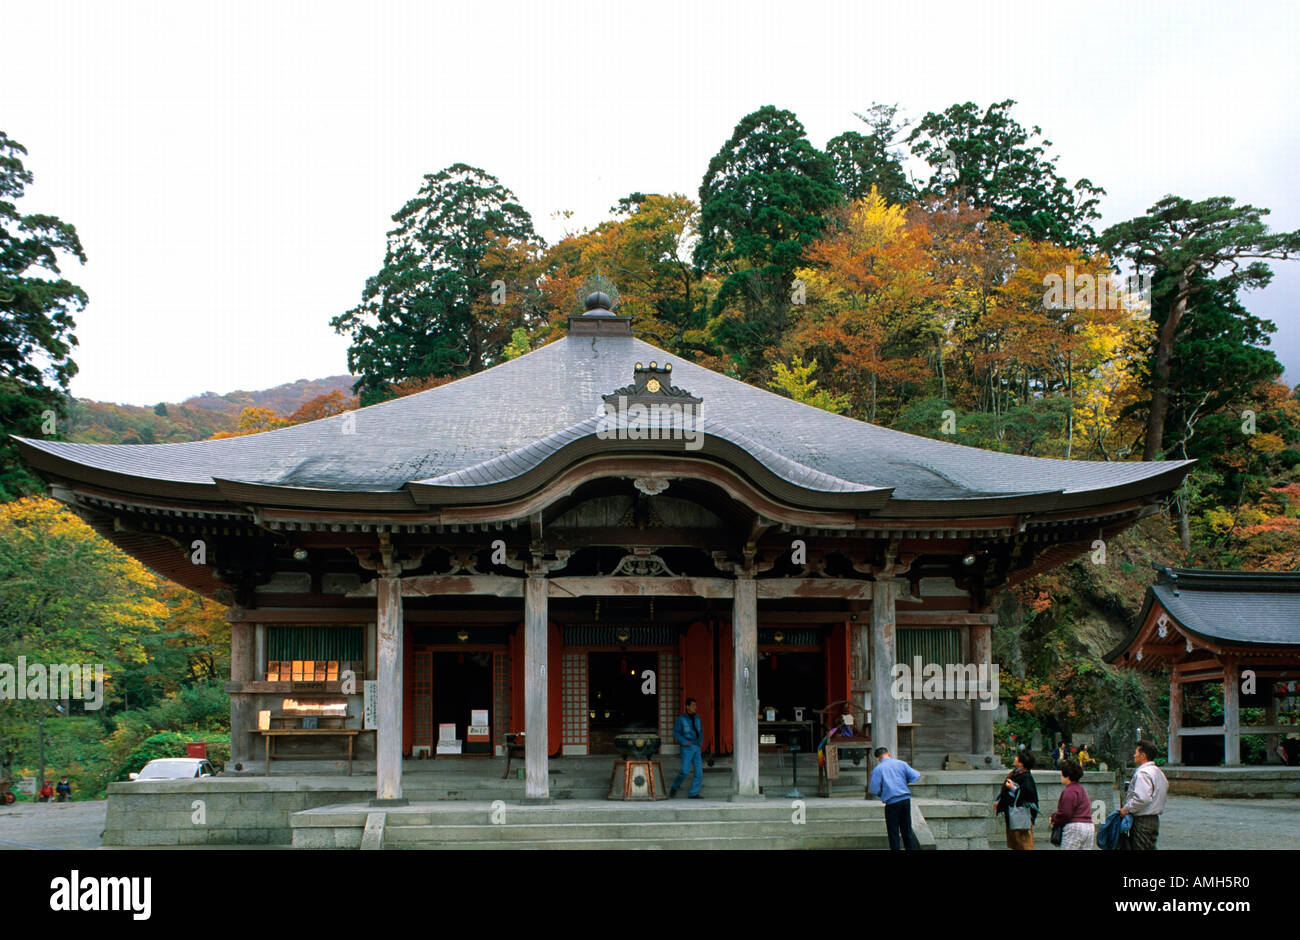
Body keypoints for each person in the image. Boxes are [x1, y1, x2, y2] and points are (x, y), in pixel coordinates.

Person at [868, 746, 921, 851]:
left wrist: (882, 792)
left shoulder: (878, 769)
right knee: (907, 830)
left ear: (878, 759)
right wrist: (904, 782)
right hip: (905, 799)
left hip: (891, 802)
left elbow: (874, 789)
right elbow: (916, 775)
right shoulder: (901, 763)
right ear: (889, 754)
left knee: (893, 832)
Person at [1120, 739, 1168, 850]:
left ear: (1143, 756)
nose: (1134, 755)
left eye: (1136, 753)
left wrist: (1126, 809)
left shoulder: (1143, 773)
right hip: (1154, 819)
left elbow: (1142, 798)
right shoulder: (1158, 772)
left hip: (1143, 819)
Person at [994, 750, 1039, 850]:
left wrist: (1013, 788)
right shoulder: (1015, 773)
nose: (1015, 758)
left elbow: (1028, 795)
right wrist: (999, 801)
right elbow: (1005, 791)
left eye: (1017, 757)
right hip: (1012, 814)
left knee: (1024, 843)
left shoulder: (1026, 777)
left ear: (1021, 763)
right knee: (1015, 843)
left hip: (1021, 815)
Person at [1051, 759, 1095, 850]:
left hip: (1074, 828)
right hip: (1089, 827)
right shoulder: (1081, 789)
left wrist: (1054, 818)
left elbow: (1066, 813)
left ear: (1067, 776)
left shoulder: (1069, 791)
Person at [669, 698, 703, 799]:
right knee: (684, 770)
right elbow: (676, 732)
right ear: (687, 706)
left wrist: (700, 743)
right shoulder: (681, 719)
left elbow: (700, 731)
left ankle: (693, 793)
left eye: (695, 706)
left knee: (699, 772)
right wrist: (684, 741)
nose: (695, 708)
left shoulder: (697, 718)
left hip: (696, 746)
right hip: (687, 747)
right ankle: (675, 787)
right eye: (692, 705)